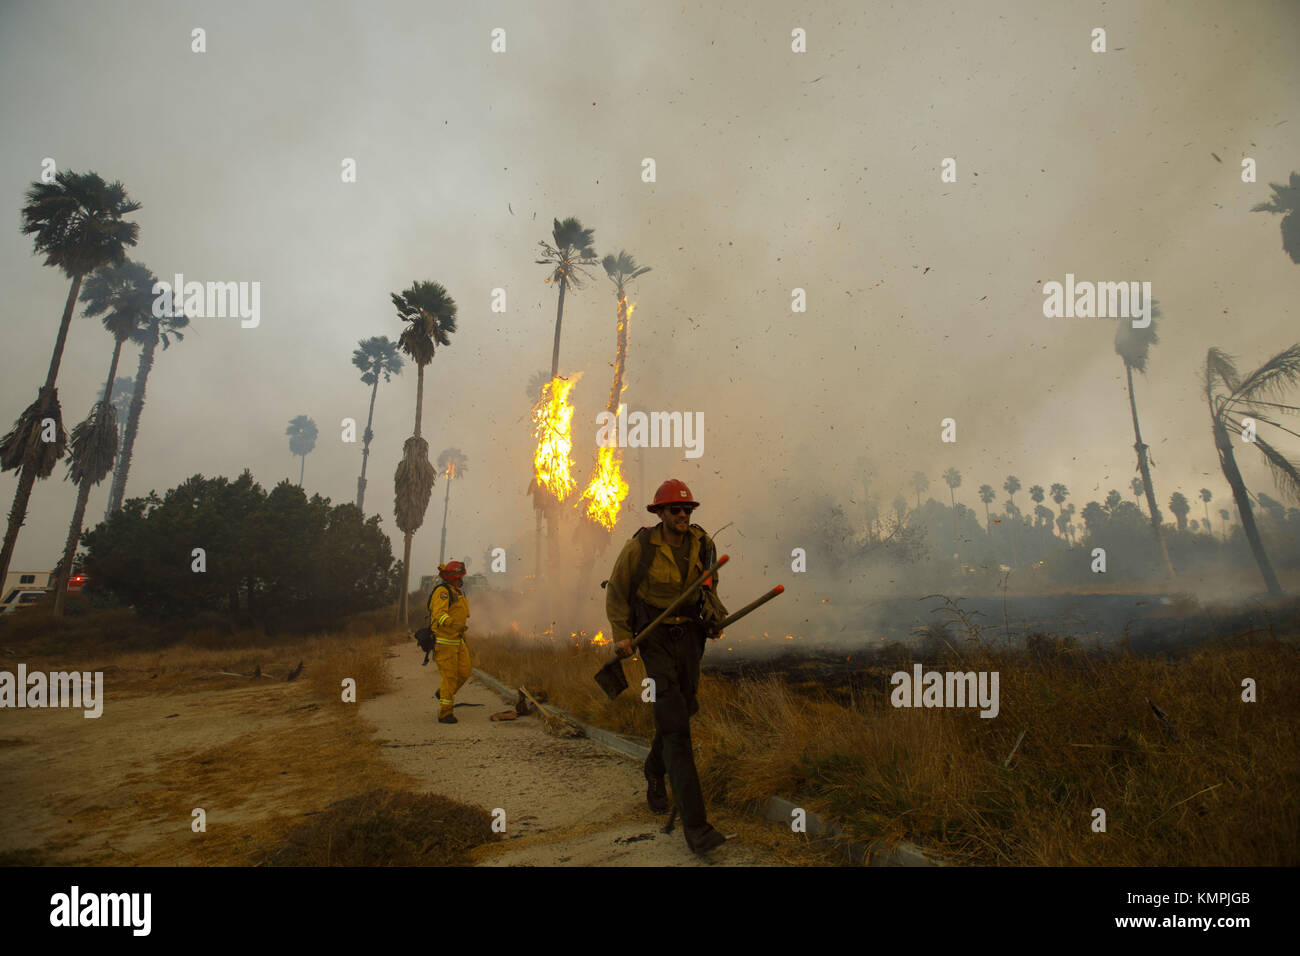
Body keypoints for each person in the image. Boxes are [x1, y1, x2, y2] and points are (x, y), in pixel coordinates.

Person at [605, 479, 728, 854]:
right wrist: (622, 635)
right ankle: (697, 827)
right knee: (675, 725)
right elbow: (616, 590)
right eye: (675, 509)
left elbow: (709, 585)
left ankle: (654, 769)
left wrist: (713, 615)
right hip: (654, 638)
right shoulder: (639, 547)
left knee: (685, 708)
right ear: (660, 512)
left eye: (688, 509)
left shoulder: (704, 544)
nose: (683, 515)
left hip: (689, 636)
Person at [429, 560, 471, 724]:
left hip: (458, 640)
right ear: (455, 577)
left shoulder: (457, 592)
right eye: (461, 577)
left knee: (465, 672)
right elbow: (439, 614)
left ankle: (444, 692)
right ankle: (445, 713)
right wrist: (452, 623)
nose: (462, 580)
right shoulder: (443, 592)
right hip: (445, 642)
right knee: (450, 677)